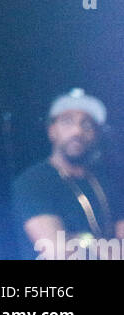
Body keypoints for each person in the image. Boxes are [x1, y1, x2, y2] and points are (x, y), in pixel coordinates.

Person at [11, 88, 124, 259]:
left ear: (96, 134)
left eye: (87, 124)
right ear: (52, 130)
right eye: (67, 122)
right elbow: (56, 250)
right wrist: (92, 242)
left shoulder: (107, 183)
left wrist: (79, 239)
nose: (77, 131)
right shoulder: (34, 181)